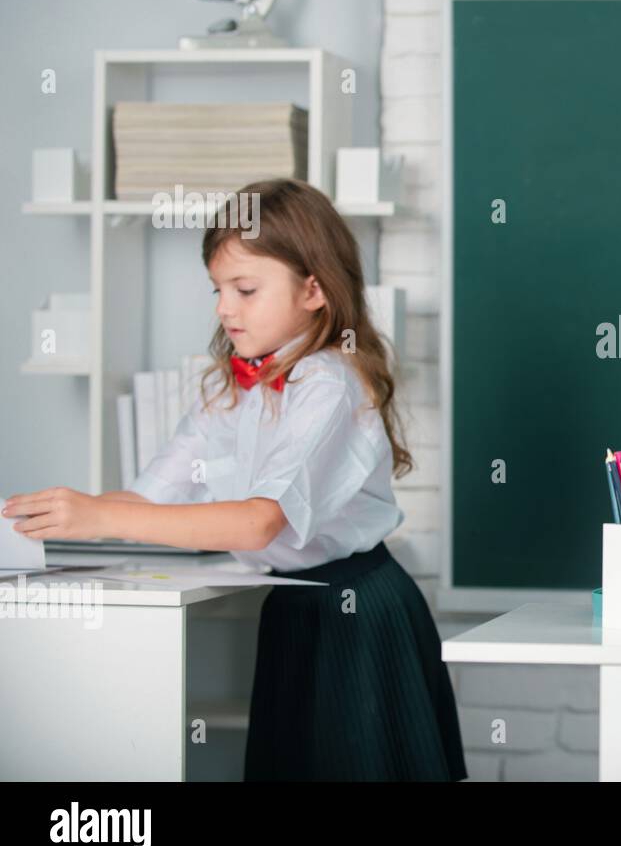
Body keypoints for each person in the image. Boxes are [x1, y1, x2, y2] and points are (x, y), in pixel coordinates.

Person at [4, 178, 467, 781]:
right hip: (298, 611)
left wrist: (100, 515)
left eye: (245, 289)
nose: (224, 307)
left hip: (359, 620)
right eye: (218, 289)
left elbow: (258, 521)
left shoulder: (328, 384)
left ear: (315, 289)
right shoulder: (233, 386)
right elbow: (149, 498)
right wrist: (46, 516)